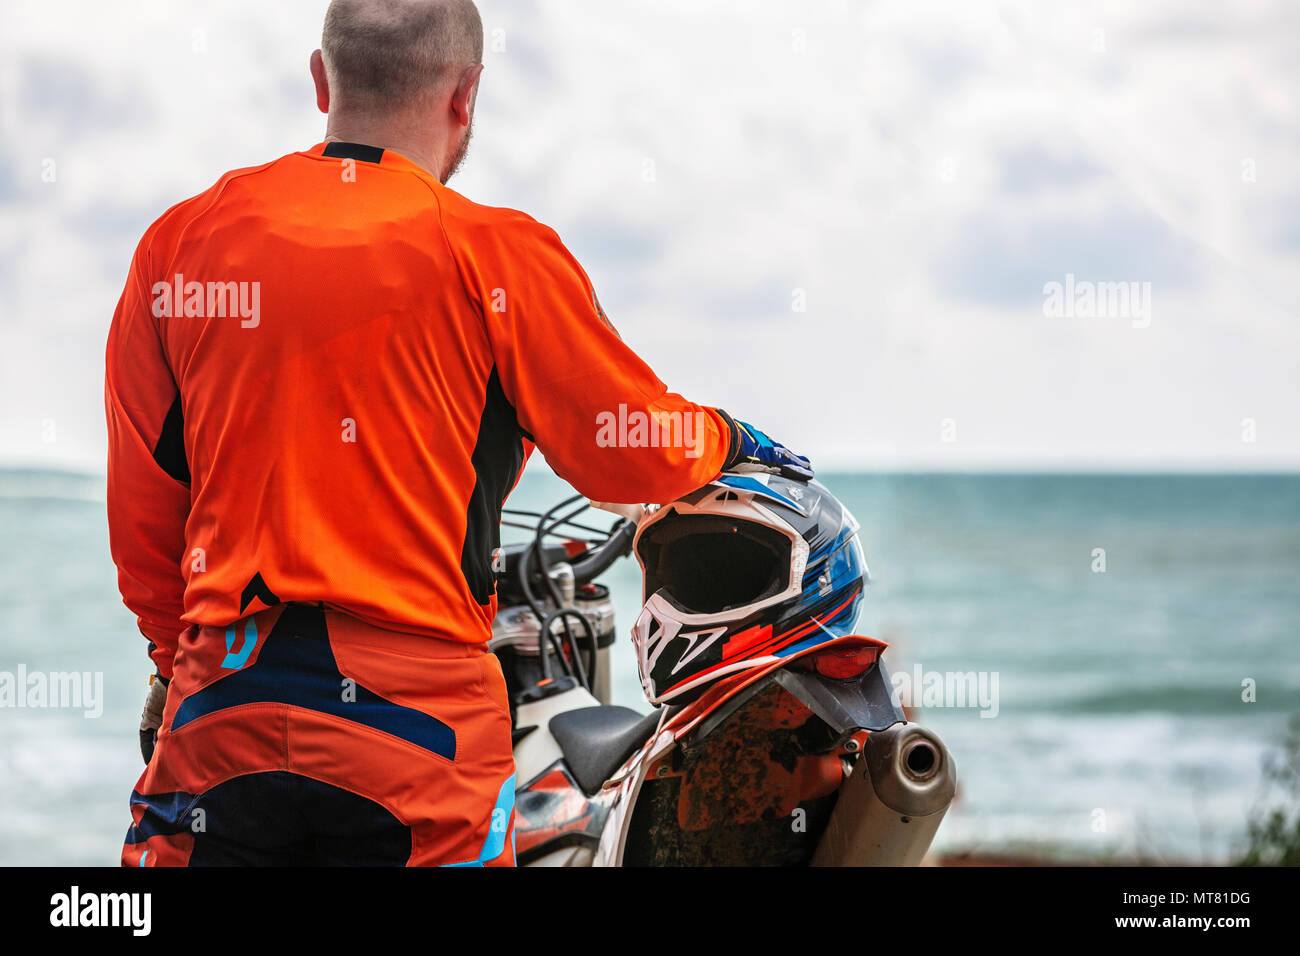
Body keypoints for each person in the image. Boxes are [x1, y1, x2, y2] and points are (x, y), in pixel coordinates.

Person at [107, 0, 810, 867]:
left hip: (223, 715)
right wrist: (734, 438)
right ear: (466, 95)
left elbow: (147, 518)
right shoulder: (494, 254)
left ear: (322, 80)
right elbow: (627, 449)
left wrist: (169, 670)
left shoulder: (180, 244)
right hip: (418, 739)